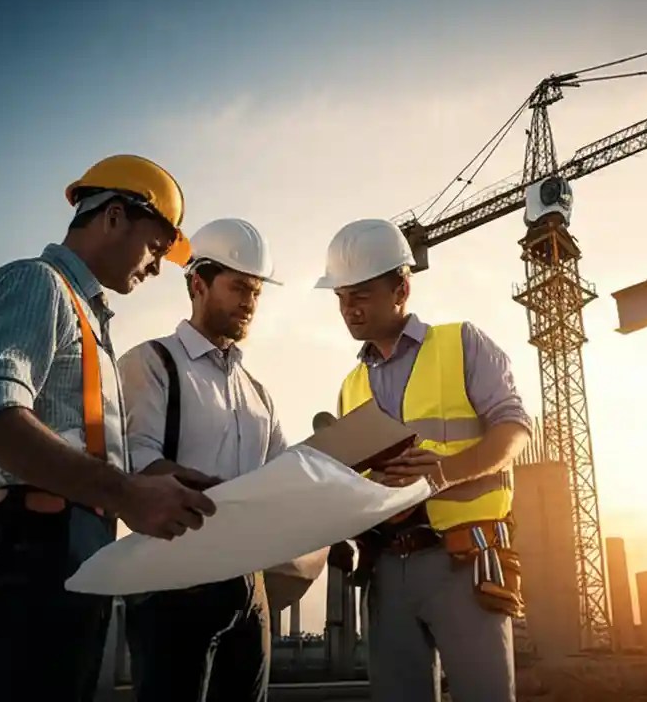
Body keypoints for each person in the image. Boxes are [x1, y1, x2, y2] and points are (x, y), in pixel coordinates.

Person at [0, 154, 219, 702]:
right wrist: (125, 493)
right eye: (156, 247)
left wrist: (156, 479)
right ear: (114, 217)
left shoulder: (88, 319)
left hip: (72, 547)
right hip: (31, 550)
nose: (157, 267)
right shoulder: (37, 284)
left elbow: (82, 444)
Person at [316, 218, 533, 702]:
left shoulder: (461, 343)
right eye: (341, 298)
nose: (349, 310)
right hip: (386, 570)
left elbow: (515, 428)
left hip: (462, 561)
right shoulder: (351, 386)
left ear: (401, 288)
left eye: (361, 295)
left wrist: (442, 474)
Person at [117, 217, 286, 702]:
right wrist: (227, 498)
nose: (250, 302)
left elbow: (280, 476)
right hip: (176, 580)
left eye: (256, 291)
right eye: (238, 287)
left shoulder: (258, 394)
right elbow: (137, 460)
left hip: (249, 588)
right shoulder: (150, 363)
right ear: (197, 284)